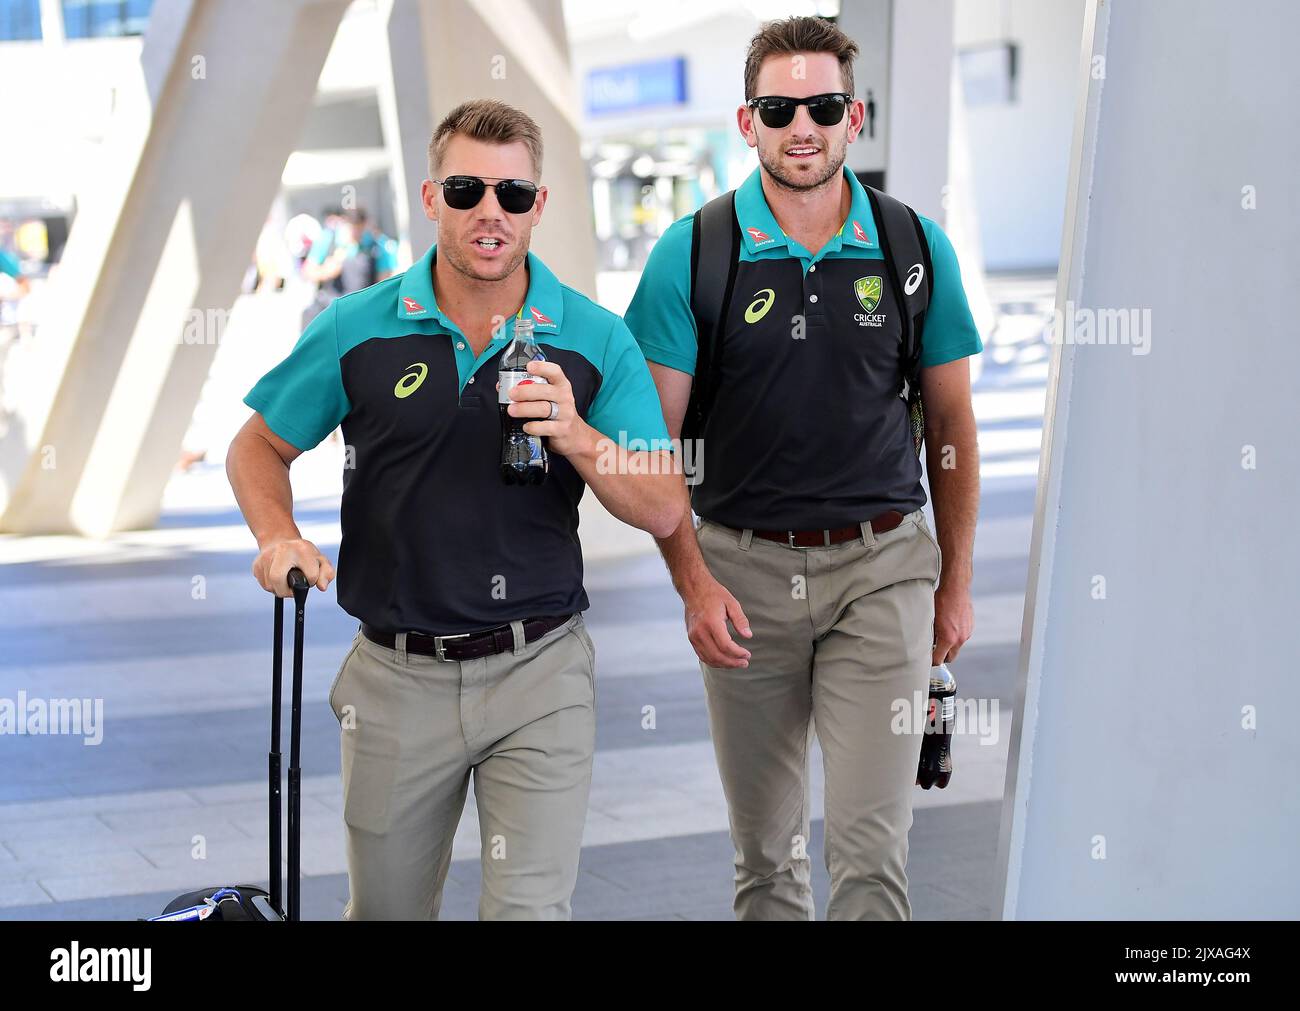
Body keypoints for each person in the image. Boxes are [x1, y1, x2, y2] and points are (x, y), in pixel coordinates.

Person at [227, 98, 685, 920]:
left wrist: (576, 433)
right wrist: (277, 537)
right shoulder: (357, 327)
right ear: (433, 195)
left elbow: (659, 502)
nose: (490, 213)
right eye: (468, 189)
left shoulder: (593, 336)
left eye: (513, 195)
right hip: (397, 674)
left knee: (529, 912)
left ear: (538, 207)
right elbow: (257, 446)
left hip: (541, 668)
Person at [623, 15, 983, 920]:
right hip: (742, 572)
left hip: (883, 568)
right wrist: (693, 583)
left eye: (823, 105)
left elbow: (949, 425)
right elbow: (653, 445)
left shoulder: (913, 248)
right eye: (779, 108)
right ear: (748, 123)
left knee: (872, 856)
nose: (802, 126)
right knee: (768, 862)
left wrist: (955, 583)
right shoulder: (694, 254)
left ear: (853, 116)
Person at [300, 207, 398, 326]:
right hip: (330, 312)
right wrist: (327, 271)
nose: (356, 234)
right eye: (351, 228)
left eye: (359, 229)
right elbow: (307, 272)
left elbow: (385, 282)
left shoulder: (377, 246)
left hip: (361, 314)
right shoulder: (329, 240)